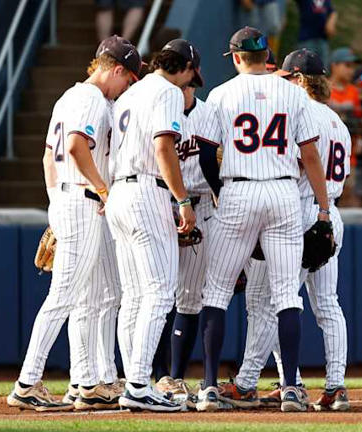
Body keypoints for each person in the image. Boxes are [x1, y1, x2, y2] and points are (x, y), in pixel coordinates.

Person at [193, 26, 331, 413]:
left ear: (236, 57)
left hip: (238, 188)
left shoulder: (220, 94)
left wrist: (218, 189)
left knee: (217, 292)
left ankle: (207, 388)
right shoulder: (291, 92)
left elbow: (205, 155)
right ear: (267, 55)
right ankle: (290, 388)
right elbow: (311, 157)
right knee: (287, 294)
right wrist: (322, 208)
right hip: (284, 192)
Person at [7, 36, 139, 412]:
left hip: (70, 197)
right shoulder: (93, 100)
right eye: (127, 78)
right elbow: (77, 145)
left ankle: (89, 382)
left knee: (96, 296)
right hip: (82, 199)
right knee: (65, 297)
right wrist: (102, 190)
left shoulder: (69, 96)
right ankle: (28, 382)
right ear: (115, 69)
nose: (126, 87)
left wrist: (56, 202)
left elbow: (49, 157)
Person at [220, 48, 352, 412]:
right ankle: (335, 386)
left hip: (297, 213)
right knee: (327, 305)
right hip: (329, 215)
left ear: (296, 79)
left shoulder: (299, 111)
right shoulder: (338, 122)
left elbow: (296, 162)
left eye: (284, 77)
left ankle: (247, 382)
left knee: (267, 302)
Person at [107, 39, 200, 412]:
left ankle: (133, 380)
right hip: (147, 190)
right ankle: (140, 383)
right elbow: (164, 149)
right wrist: (183, 200)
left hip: (118, 192)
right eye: (193, 72)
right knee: (160, 293)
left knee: (133, 297)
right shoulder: (167, 92)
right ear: (185, 67)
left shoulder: (131, 91)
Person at [151, 71, 214, 406]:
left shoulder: (208, 114)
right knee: (158, 294)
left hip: (201, 206)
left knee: (189, 297)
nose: (183, 91)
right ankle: (157, 374)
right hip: (162, 204)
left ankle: (174, 376)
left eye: (188, 86)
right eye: (180, 85)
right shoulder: (158, 109)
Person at [328, 48, 362, 206]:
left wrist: (360, 138)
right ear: (334, 66)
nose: (351, 70)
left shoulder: (353, 91)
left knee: (349, 191)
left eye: (353, 67)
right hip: (327, 150)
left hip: (348, 151)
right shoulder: (324, 87)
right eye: (347, 65)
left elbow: (357, 118)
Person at [295, 0, 338, 67]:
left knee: (322, 69)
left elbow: (332, 11)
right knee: (305, 68)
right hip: (307, 38)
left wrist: (331, 21)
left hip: (323, 39)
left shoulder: (326, 1)